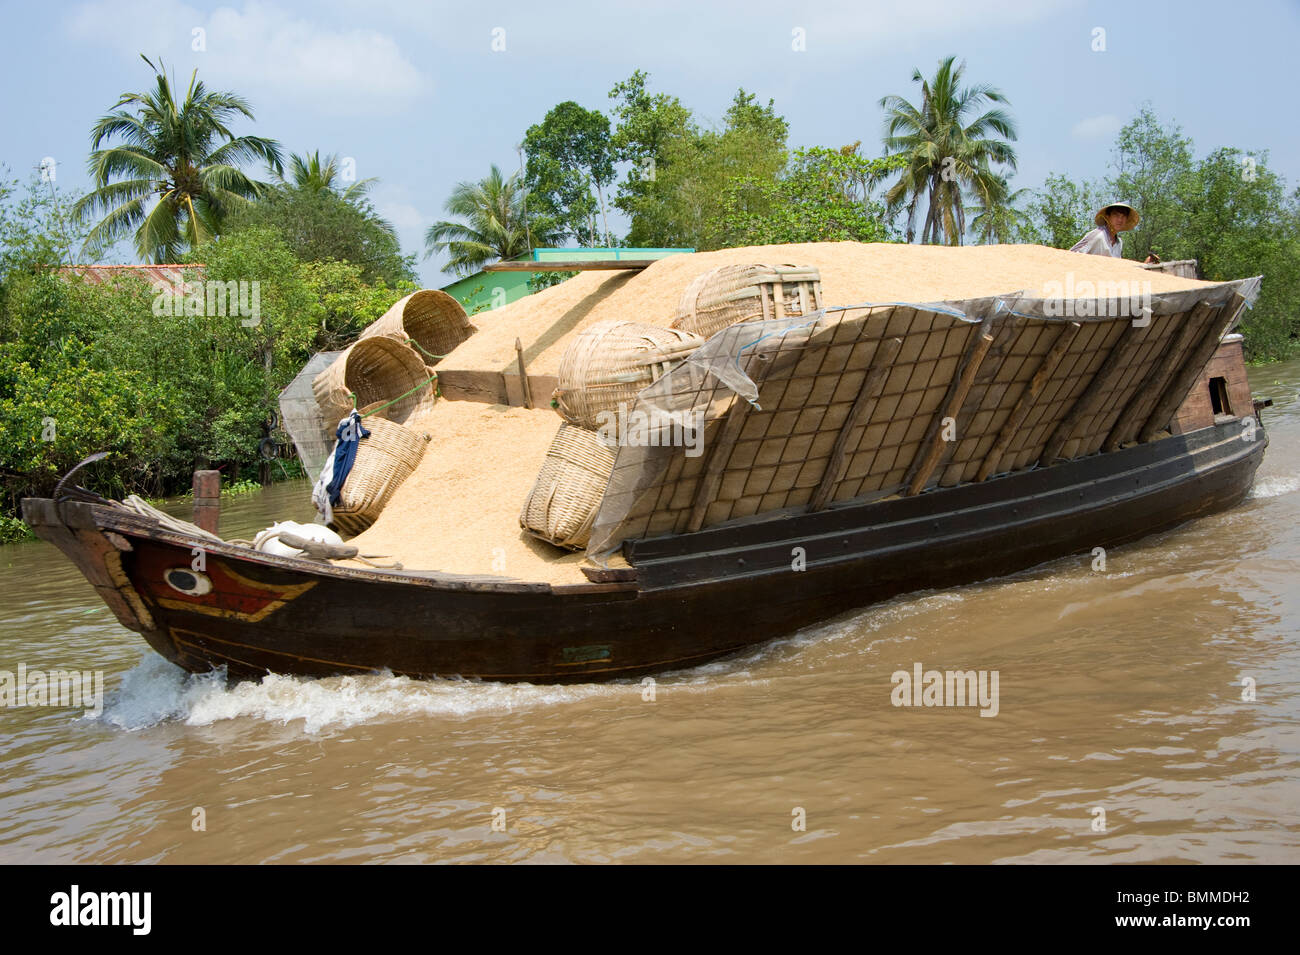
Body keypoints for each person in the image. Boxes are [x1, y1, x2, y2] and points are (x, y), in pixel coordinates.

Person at [1070, 202, 1139, 257]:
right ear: (1107, 217)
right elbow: (1071, 254)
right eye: (1116, 215)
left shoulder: (1119, 243)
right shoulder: (1098, 235)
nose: (1120, 220)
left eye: (1123, 216)